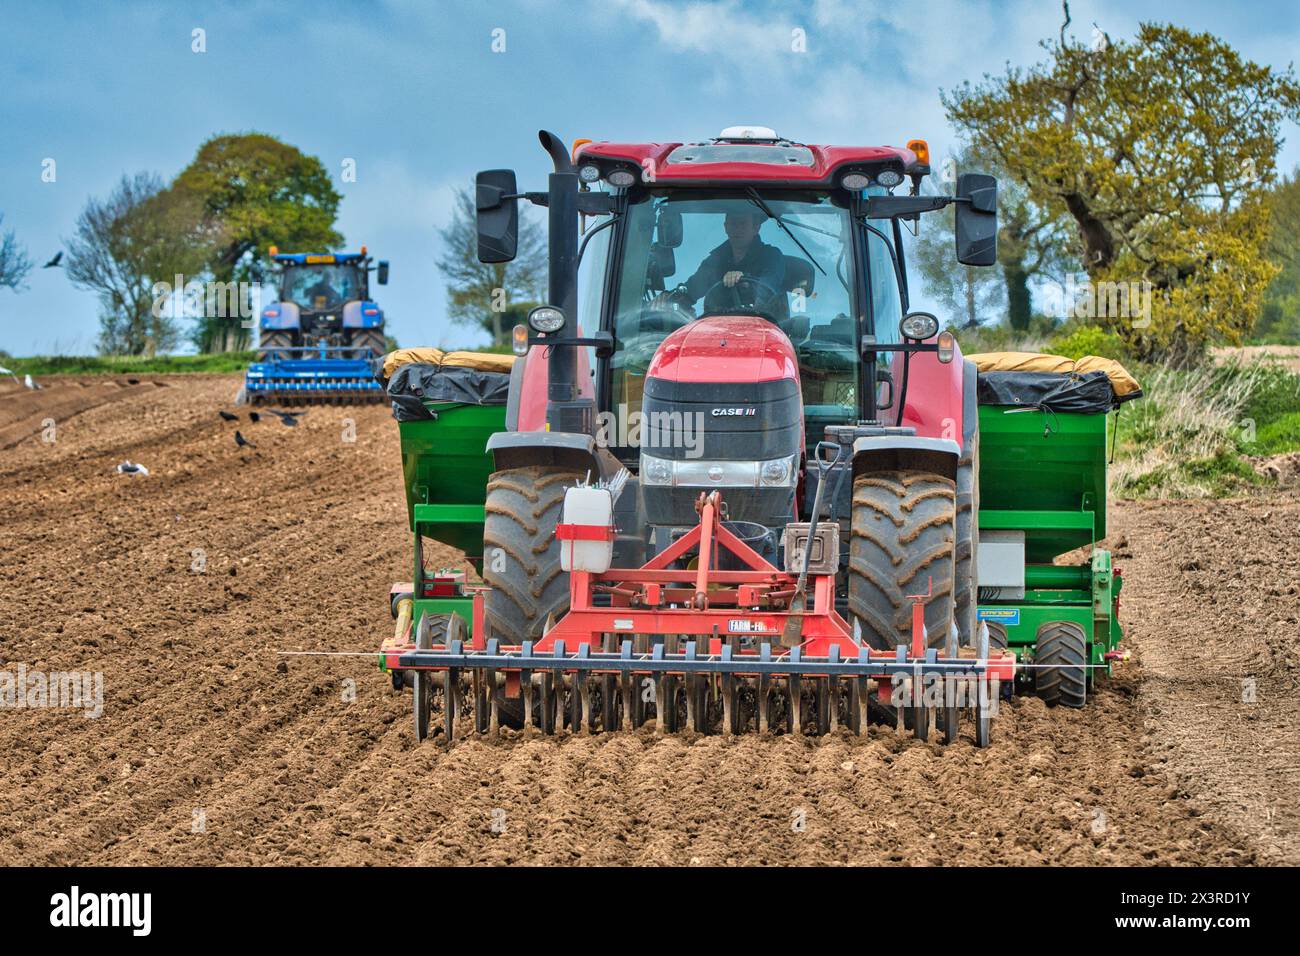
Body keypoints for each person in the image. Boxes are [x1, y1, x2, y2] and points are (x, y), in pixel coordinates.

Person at [656, 209, 786, 313]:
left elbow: (767, 290)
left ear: (756, 228)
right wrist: (668, 299)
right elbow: (692, 289)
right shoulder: (716, 260)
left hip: (763, 330)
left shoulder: (772, 257)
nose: (737, 229)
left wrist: (744, 280)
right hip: (719, 332)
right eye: (733, 223)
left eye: (743, 223)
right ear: (726, 227)